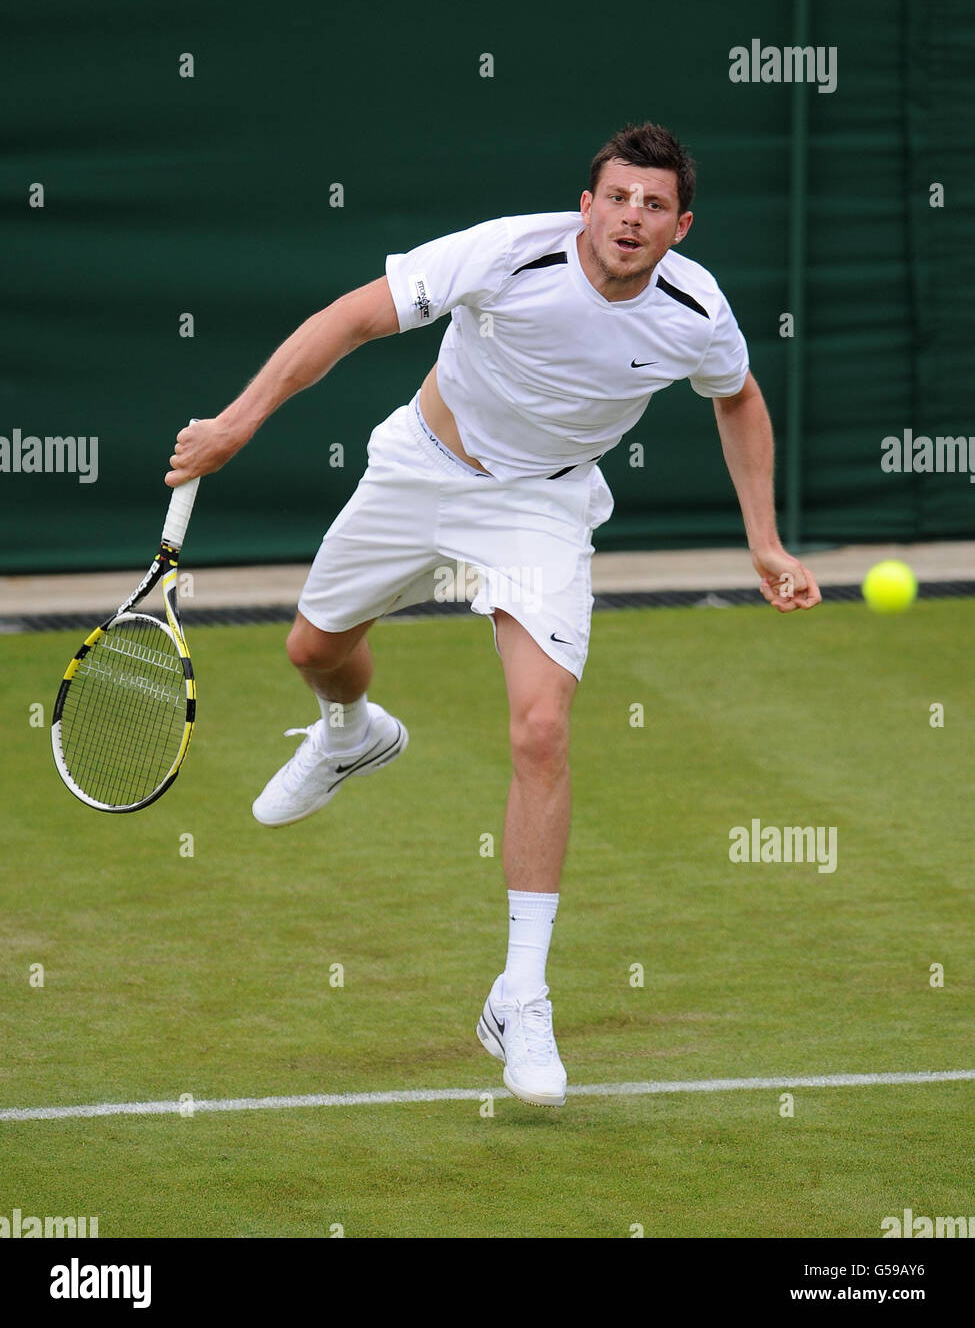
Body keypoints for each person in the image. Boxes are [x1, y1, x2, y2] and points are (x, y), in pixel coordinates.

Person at [166, 122, 821, 1108]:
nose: (631, 217)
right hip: (424, 465)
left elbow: (739, 398)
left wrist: (763, 539)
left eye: (654, 205)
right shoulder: (507, 253)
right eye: (617, 197)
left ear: (680, 226)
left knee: (542, 726)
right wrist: (236, 423)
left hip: (543, 507)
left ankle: (522, 992)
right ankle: (351, 734)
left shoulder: (696, 310)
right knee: (315, 647)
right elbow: (350, 318)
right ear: (587, 204)